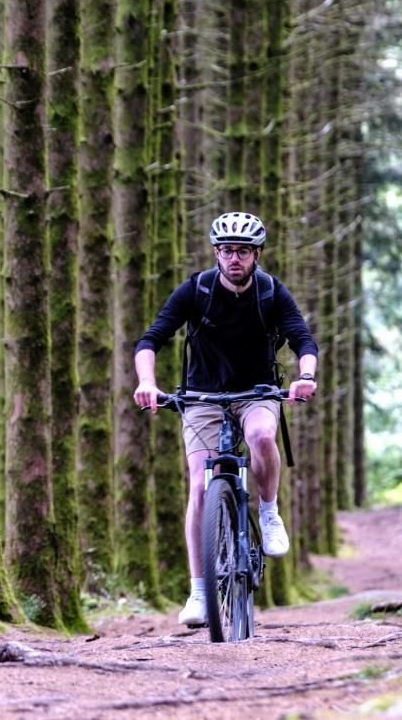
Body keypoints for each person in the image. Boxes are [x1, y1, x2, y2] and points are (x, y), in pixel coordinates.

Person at [133, 211, 318, 627]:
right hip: (202, 398)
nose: (235, 258)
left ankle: (268, 512)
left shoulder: (271, 292)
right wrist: (147, 383)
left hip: (257, 392)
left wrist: (305, 376)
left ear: (257, 255)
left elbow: (303, 338)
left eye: (243, 251)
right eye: (227, 250)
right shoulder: (195, 290)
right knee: (199, 486)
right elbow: (151, 339)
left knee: (260, 435)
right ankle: (199, 593)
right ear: (217, 253)